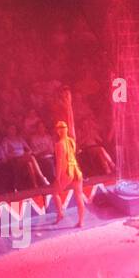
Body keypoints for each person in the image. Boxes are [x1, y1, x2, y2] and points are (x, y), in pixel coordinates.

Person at [51, 90, 86, 228]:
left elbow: (59, 162)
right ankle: (81, 222)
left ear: (58, 131)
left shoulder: (58, 144)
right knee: (79, 196)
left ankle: (60, 213)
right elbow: (72, 124)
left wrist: (58, 178)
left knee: (55, 193)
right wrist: (69, 106)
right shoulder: (72, 140)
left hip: (67, 172)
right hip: (77, 172)